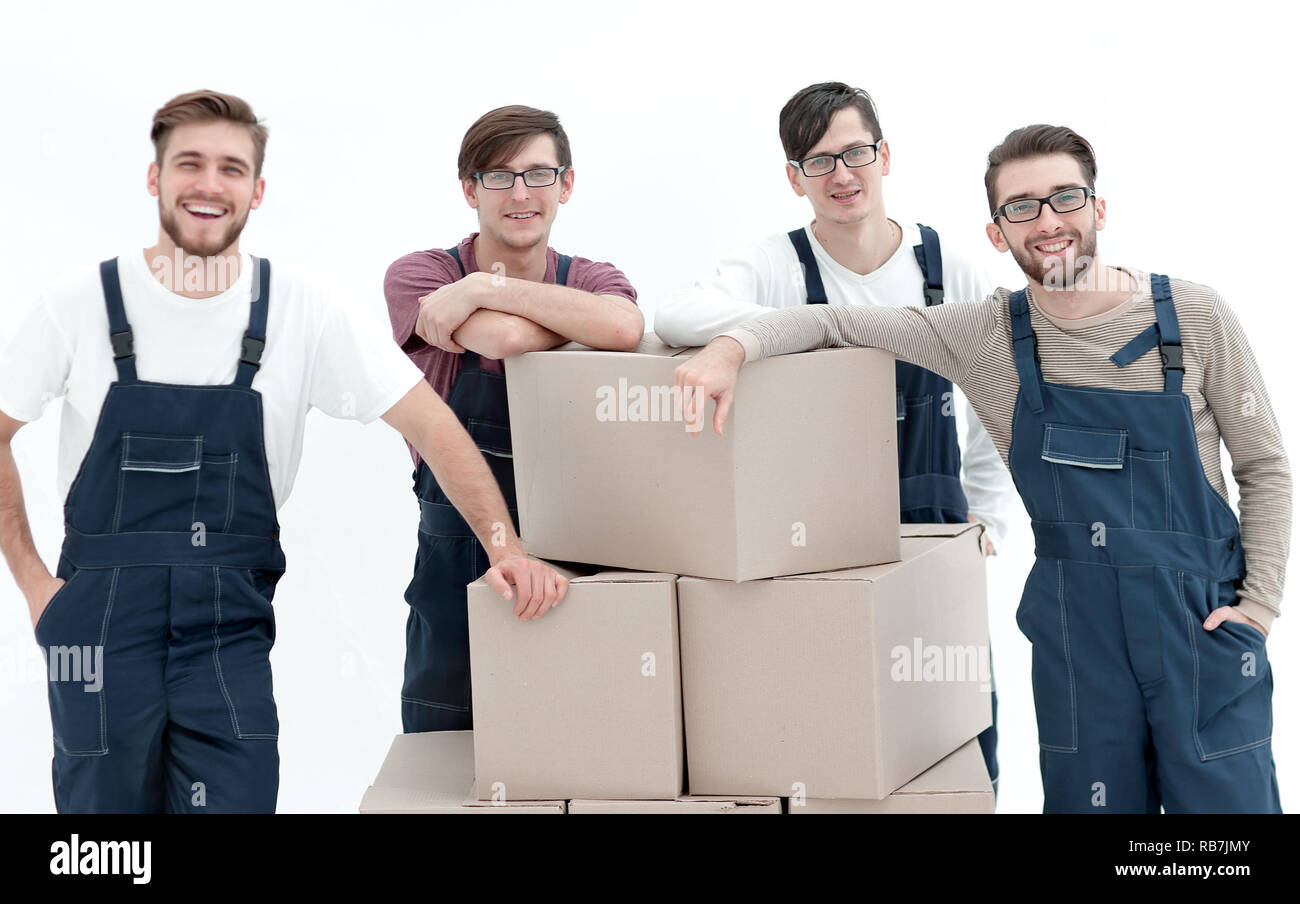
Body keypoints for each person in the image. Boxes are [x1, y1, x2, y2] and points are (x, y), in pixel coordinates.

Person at [674, 124, 1288, 814]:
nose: (1048, 221)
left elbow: (1264, 464)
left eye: (1066, 198)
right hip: (1077, 630)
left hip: (1198, 622)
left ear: (1099, 209)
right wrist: (732, 346)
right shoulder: (986, 333)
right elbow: (828, 323)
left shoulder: (1192, 316)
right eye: (1022, 206)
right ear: (997, 233)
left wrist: (1258, 608)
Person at [0, 90, 570, 814]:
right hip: (98, 627)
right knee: (105, 850)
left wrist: (504, 545)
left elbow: (433, 426)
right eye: (190, 163)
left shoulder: (300, 307)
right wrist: (33, 584)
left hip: (226, 631)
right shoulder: (78, 304)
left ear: (257, 190)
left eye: (231, 168)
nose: (210, 184)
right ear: (155, 178)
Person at [655, 82, 1015, 793]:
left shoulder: (949, 269)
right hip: (814, 538)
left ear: (885, 156)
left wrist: (989, 519)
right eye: (819, 161)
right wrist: (765, 334)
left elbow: (1001, 399)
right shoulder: (778, 265)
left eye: (855, 153)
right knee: (826, 722)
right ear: (795, 177)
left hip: (934, 531)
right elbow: (673, 312)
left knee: (951, 723)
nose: (842, 175)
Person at [384, 105, 641, 733]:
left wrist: (484, 289)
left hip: (577, 551)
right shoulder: (423, 275)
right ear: (470, 190)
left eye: (538, 174)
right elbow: (500, 339)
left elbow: (623, 326)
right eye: (499, 176)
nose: (520, 193)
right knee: (448, 745)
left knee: (576, 738)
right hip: (457, 558)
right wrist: (547, 317)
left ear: (567, 184)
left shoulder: (595, 276)